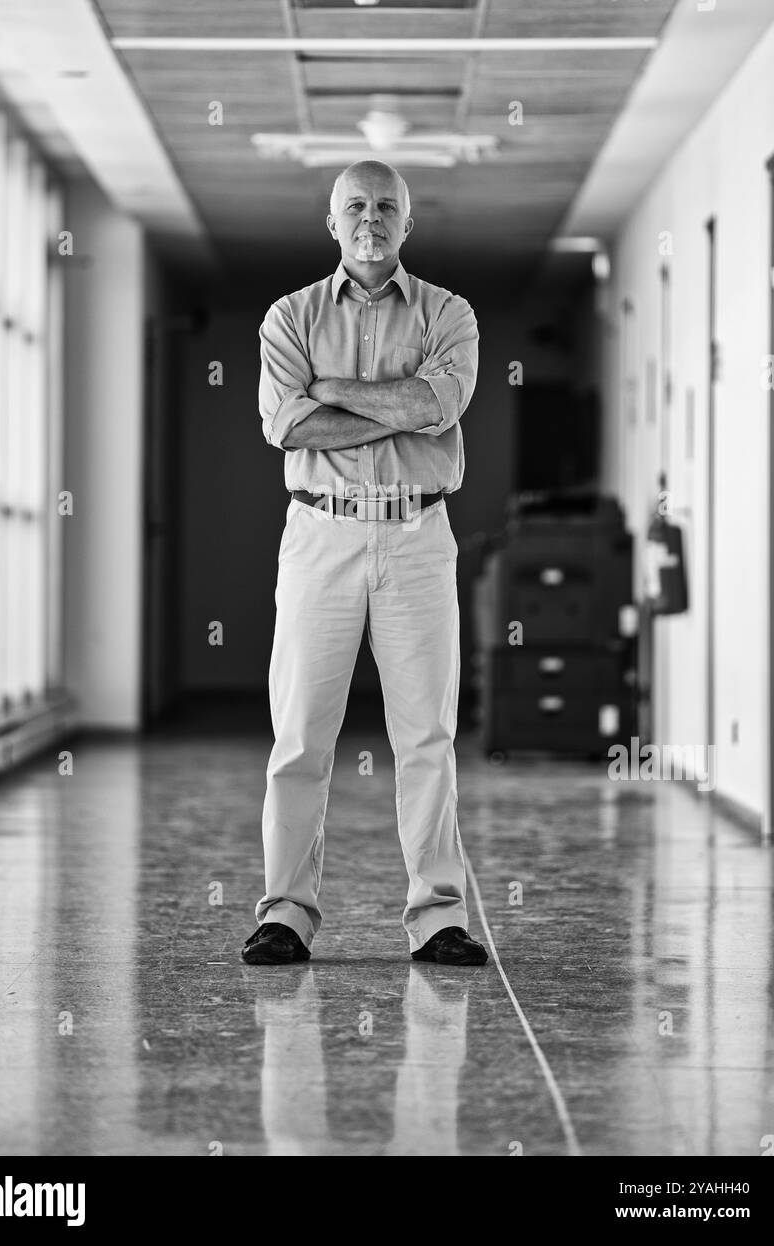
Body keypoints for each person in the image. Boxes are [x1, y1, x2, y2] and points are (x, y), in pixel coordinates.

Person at [241, 159, 487, 967]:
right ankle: (285, 915)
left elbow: (436, 405)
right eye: (355, 206)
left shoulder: (452, 312)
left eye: (386, 206)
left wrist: (333, 391)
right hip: (322, 537)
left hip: (419, 538)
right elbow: (288, 427)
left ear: (407, 224)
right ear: (332, 221)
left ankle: (439, 919)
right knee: (301, 736)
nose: (370, 219)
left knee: (427, 737)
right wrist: (394, 406)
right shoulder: (290, 316)